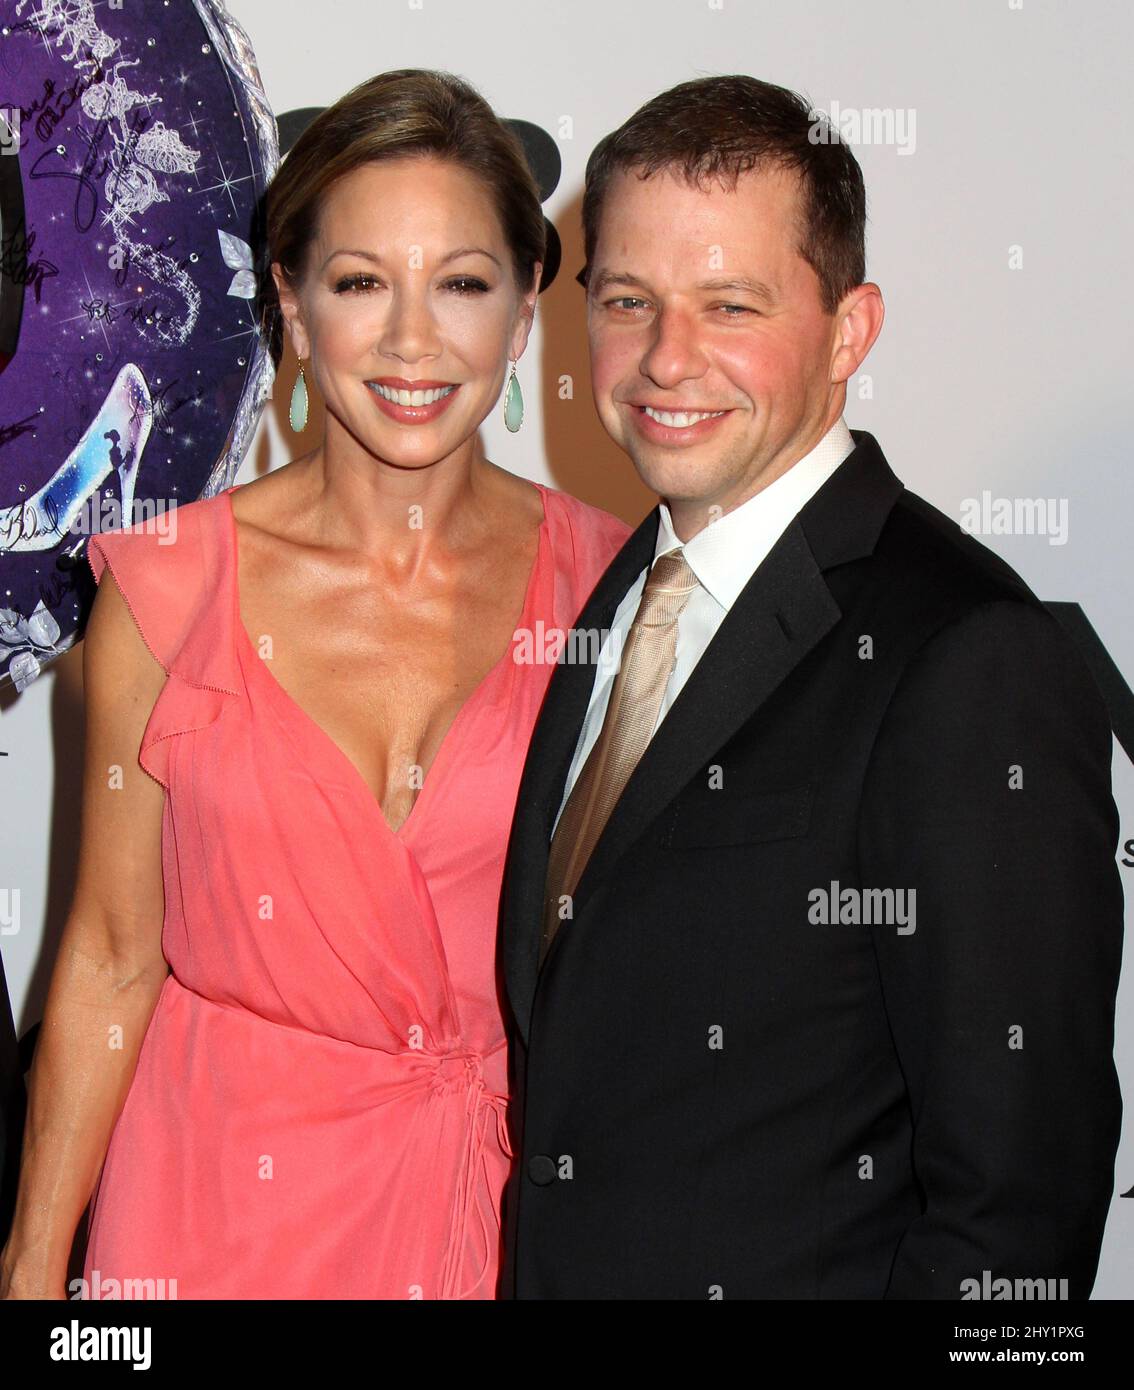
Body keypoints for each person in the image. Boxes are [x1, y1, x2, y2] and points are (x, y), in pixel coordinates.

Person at [0, 69, 629, 1301]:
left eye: (461, 283)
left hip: (502, 1223)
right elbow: (113, 957)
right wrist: (30, 1274)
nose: (410, 341)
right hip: (205, 1225)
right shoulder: (164, 592)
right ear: (290, 305)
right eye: (358, 284)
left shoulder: (613, 588)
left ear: (523, 309)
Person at [498, 74, 1124, 1299]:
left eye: (731, 303)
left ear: (850, 331)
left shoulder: (968, 653)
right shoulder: (621, 591)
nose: (666, 358)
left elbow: (1018, 1207)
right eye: (629, 300)